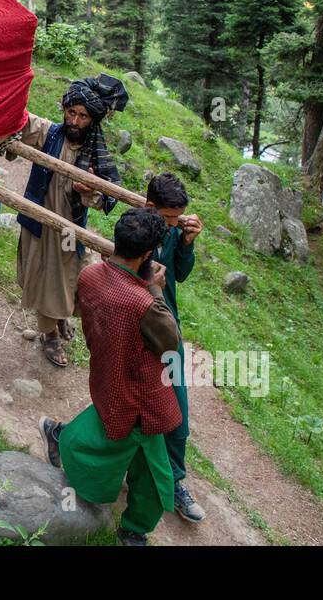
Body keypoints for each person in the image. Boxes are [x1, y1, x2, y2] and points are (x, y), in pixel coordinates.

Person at [38, 208, 183, 547]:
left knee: (108, 422)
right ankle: (134, 529)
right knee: (155, 473)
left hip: (107, 375)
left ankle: (59, 435)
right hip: (143, 395)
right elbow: (170, 343)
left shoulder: (89, 276)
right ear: (147, 255)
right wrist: (156, 290)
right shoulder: (143, 303)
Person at [13, 75, 128, 368]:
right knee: (45, 279)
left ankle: (61, 314)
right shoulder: (49, 134)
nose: (74, 121)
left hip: (70, 229)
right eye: (71, 112)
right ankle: (48, 334)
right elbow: (20, 122)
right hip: (41, 223)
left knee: (71, 278)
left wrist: (89, 193)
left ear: (93, 120)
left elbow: (105, 198)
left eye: (83, 116)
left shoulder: (95, 155)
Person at [144, 171, 206, 524]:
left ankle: (176, 480)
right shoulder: (135, 228)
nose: (172, 225)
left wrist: (186, 243)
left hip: (168, 328)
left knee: (176, 405)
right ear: (151, 207)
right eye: (168, 219)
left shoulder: (171, 231)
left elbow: (179, 276)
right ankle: (69, 440)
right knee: (128, 399)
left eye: (177, 219)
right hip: (139, 326)